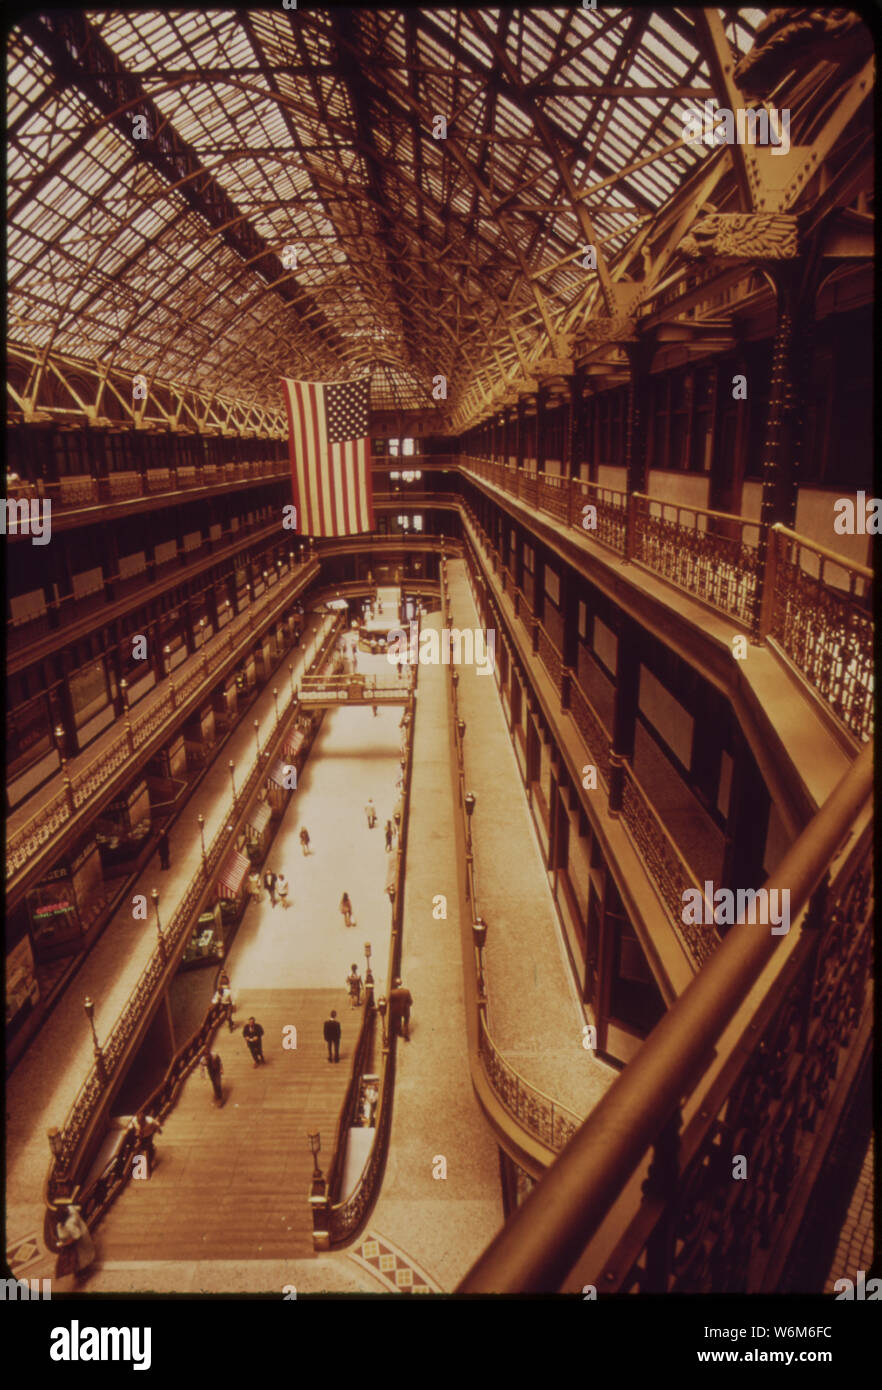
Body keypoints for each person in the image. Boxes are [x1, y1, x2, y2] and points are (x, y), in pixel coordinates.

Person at [54, 1202, 95, 1281]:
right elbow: (79, 1208)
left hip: (79, 1242)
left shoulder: (70, 1225)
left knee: (81, 1258)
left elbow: (76, 1237)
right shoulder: (70, 1208)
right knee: (85, 1254)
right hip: (83, 1230)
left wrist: (64, 1244)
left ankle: (82, 1273)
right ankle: (82, 1271)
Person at [129, 1110, 162, 1174]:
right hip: (140, 1135)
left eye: (142, 1123)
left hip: (148, 1135)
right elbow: (131, 1125)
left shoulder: (150, 1121)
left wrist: (158, 1130)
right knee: (139, 1147)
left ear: (144, 1120)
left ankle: (149, 1161)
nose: (140, 1124)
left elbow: (157, 1125)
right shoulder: (134, 1120)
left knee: (147, 1147)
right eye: (139, 1123)